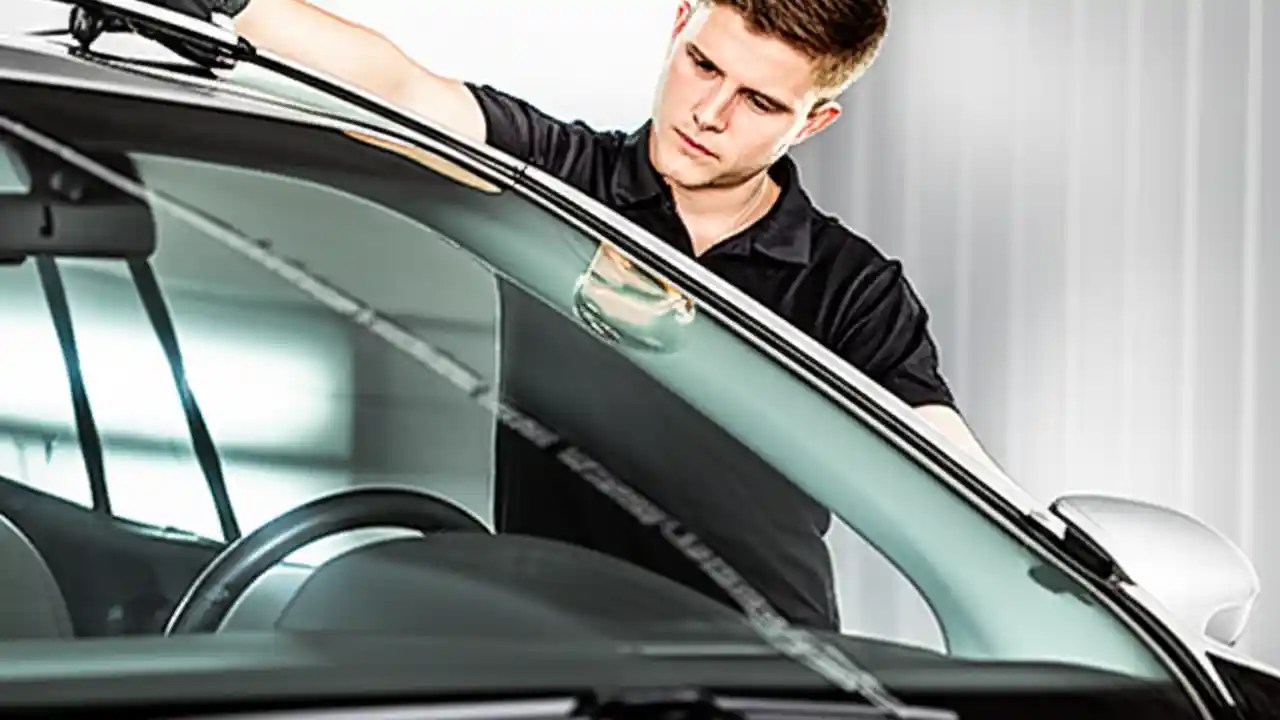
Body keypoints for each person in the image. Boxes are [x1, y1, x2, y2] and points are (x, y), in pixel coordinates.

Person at [130, 0, 1002, 629]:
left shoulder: (853, 286)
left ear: (814, 122)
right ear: (678, 24)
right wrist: (233, 4)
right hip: (553, 660)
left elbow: (942, 463)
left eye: (760, 102)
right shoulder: (560, 180)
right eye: (703, 64)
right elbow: (401, 89)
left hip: (769, 678)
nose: (708, 113)